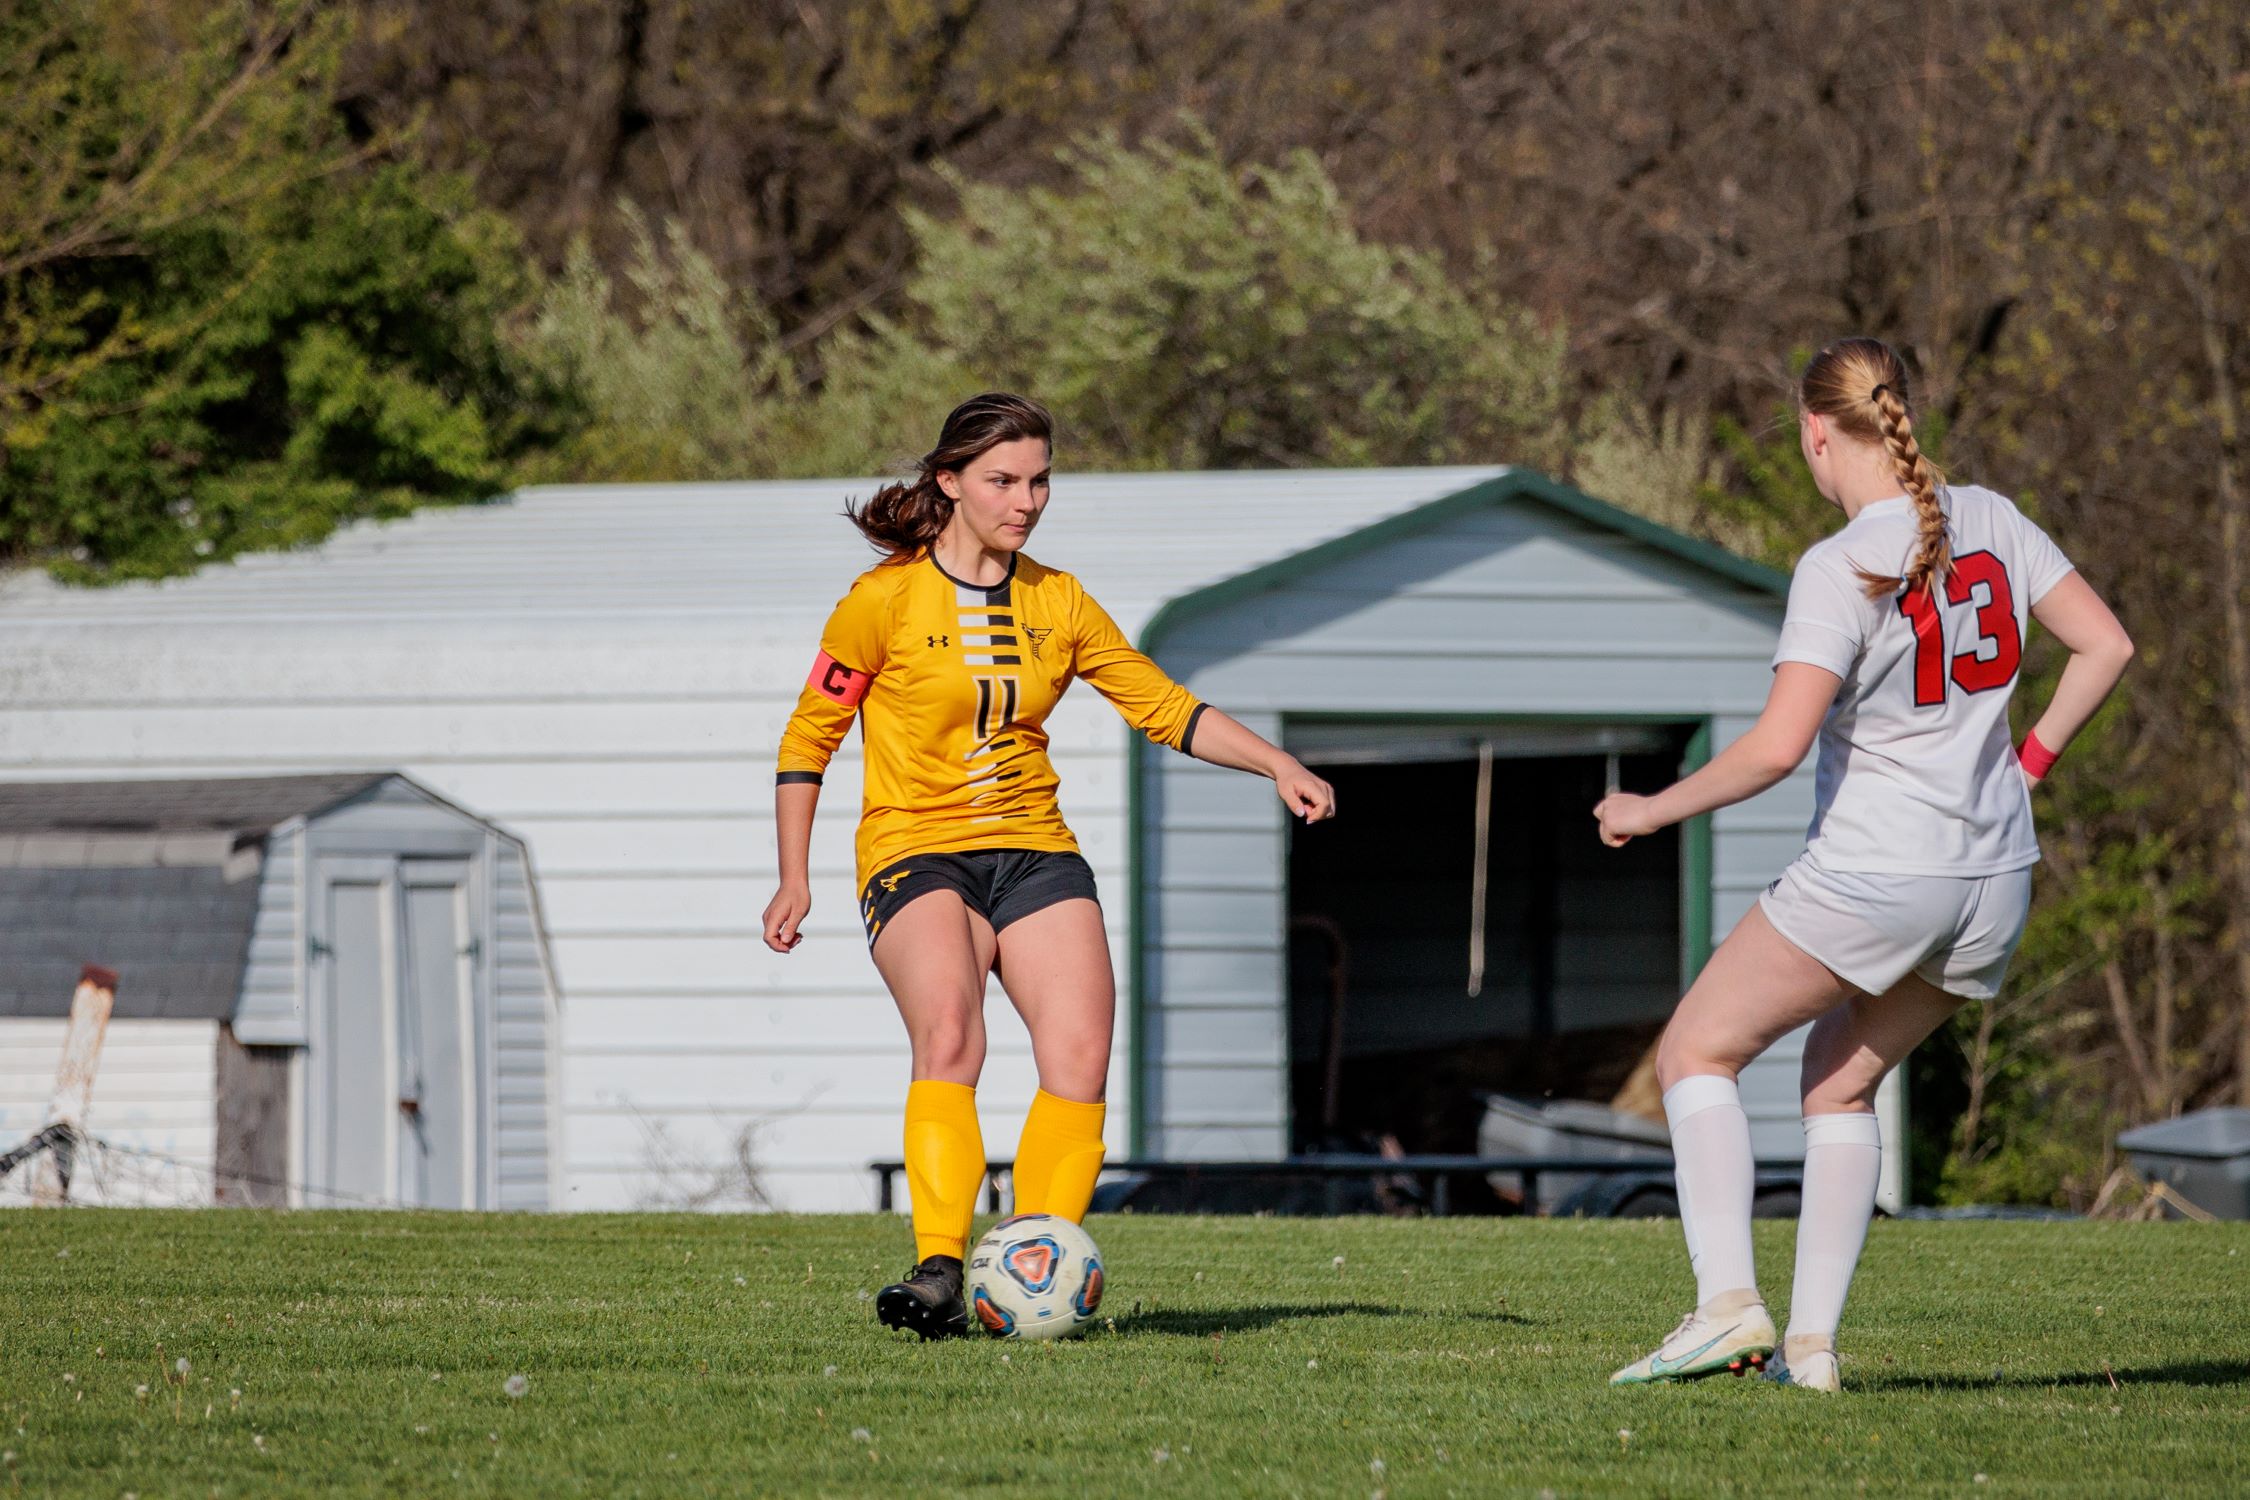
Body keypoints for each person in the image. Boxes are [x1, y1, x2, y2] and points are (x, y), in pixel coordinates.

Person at [1594, 338, 2133, 1392]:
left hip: (1881, 873)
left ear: (1813, 434)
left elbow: (1776, 748)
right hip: (1993, 881)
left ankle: (1724, 1310)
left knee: (1694, 1054)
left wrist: (1653, 808)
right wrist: (2027, 764)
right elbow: (2105, 645)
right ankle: (1813, 1352)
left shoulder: (1838, 566)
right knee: (1841, 1086)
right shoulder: (1995, 517)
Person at [763, 392, 1338, 1338]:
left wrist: (1276, 761)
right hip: (914, 848)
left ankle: (1034, 1268)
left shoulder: (1058, 599)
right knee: (952, 1035)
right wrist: (794, 873)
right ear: (948, 483)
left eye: (1038, 481)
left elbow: (1162, 704)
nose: (1025, 501)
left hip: (1035, 851)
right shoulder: (882, 602)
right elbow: (809, 734)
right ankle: (942, 1269)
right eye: (1002, 481)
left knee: (1078, 1055)